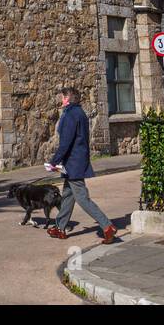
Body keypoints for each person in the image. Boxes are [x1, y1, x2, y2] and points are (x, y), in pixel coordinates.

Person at [46, 87, 117, 244]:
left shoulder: (70, 115)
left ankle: (107, 226)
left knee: (83, 198)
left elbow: (66, 142)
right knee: (68, 196)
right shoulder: (80, 113)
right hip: (77, 161)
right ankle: (60, 227)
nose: (61, 100)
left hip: (73, 163)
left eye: (63, 97)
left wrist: (54, 162)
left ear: (68, 99)